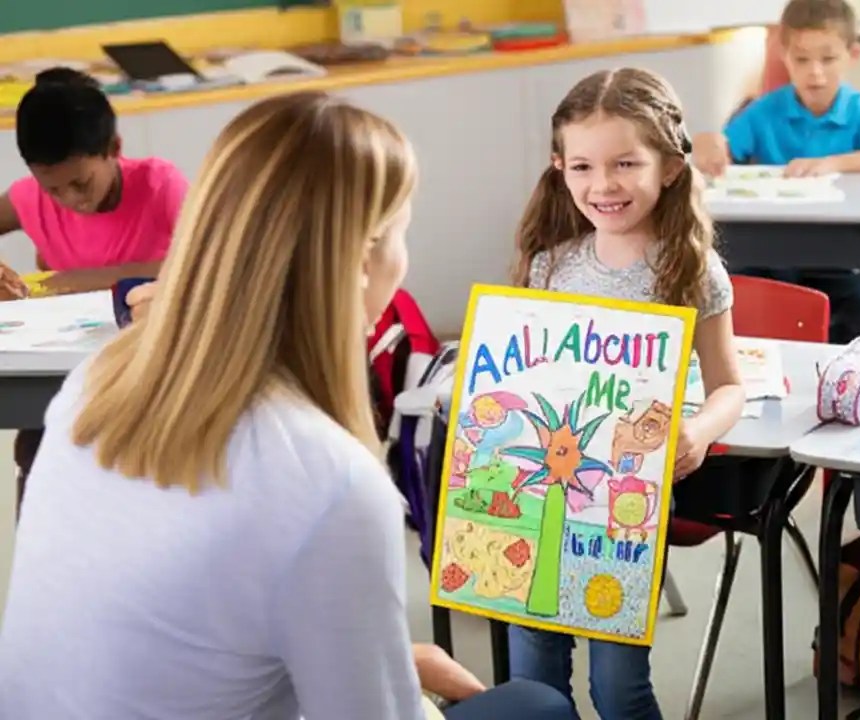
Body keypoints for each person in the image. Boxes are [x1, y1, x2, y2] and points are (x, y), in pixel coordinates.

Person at [0, 91, 571, 720]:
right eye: (400, 233)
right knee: (535, 705)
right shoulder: (331, 483)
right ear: (360, 257)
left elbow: (188, 644)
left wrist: (393, 661)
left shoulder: (94, 385)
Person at [509, 67, 746, 719]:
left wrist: (697, 432)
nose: (602, 185)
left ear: (669, 167)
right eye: (582, 166)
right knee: (532, 675)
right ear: (559, 167)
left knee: (617, 687)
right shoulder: (548, 265)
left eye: (624, 163)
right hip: (542, 495)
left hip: (625, 507)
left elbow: (729, 385)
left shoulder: (690, 268)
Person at [0, 67, 189, 515]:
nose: (70, 200)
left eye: (81, 183)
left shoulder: (160, 186)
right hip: (65, 376)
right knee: (39, 459)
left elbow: (206, 262)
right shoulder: (29, 198)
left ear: (114, 150)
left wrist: (84, 279)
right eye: (54, 188)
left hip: (150, 378)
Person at [690, 0, 860, 343]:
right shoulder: (765, 110)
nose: (815, 73)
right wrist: (710, 146)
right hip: (768, 256)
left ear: (853, 55)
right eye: (802, 59)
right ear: (784, 56)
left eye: (828, 58)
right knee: (718, 286)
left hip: (836, 261)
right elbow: (724, 149)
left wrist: (832, 164)